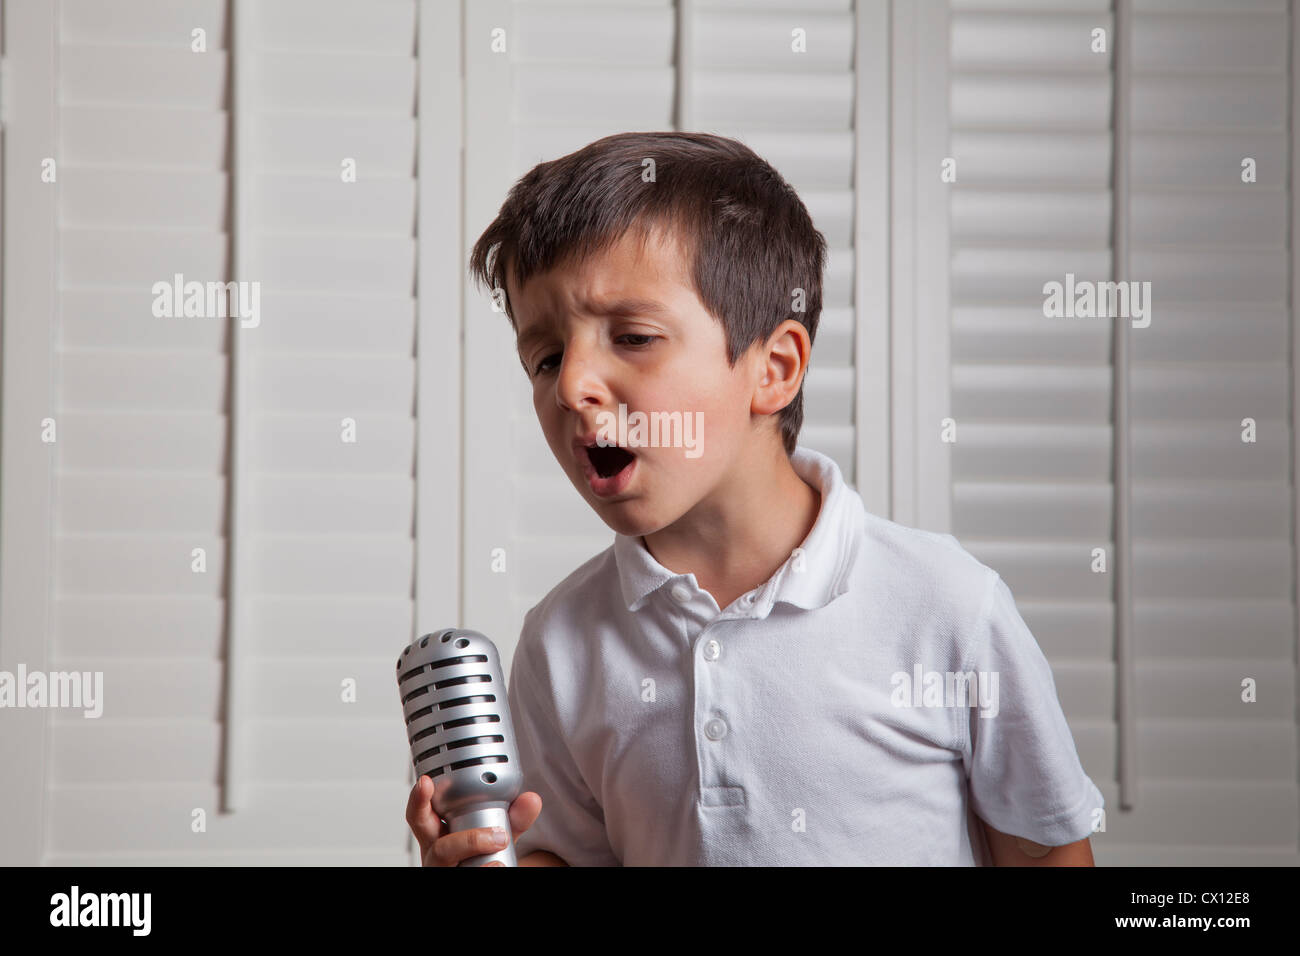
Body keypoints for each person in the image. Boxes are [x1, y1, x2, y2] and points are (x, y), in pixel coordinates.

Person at [407, 131, 1103, 866]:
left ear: (774, 369)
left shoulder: (946, 607)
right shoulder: (560, 643)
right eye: (545, 357)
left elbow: (1045, 853)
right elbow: (566, 852)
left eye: (634, 336)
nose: (573, 384)